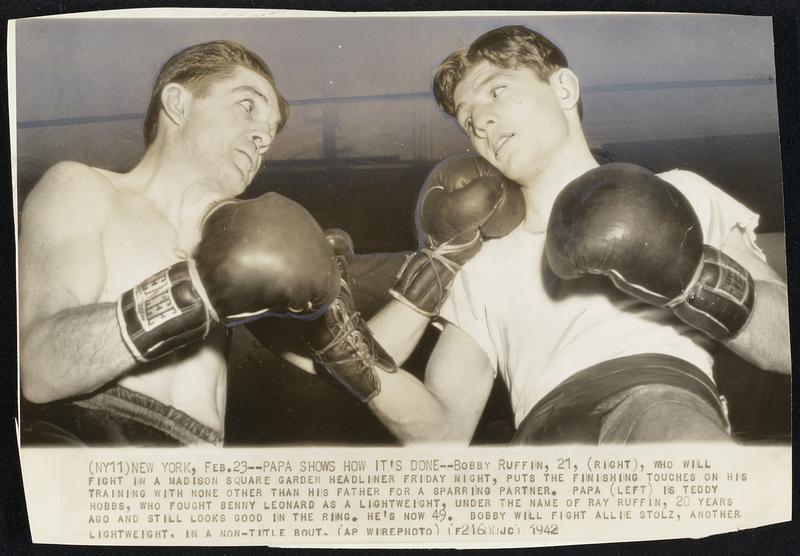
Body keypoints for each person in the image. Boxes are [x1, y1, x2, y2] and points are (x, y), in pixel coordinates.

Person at [286, 25, 790, 445]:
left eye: (497, 90)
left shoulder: (677, 192)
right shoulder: (479, 263)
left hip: (658, 403)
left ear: (565, 89)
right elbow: (442, 434)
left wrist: (690, 274)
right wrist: (350, 354)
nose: (480, 119)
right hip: (537, 445)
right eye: (466, 118)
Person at [18, 40, 344, 446]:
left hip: (197, 468)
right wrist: (195, 291)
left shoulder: (240, 240)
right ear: (177, 103)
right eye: (248, 106)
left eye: (271, 131)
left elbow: (351, 371)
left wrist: (432, 268)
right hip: (91, 443)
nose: (263, 136)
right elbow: (37, 366)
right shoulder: (82, 187)